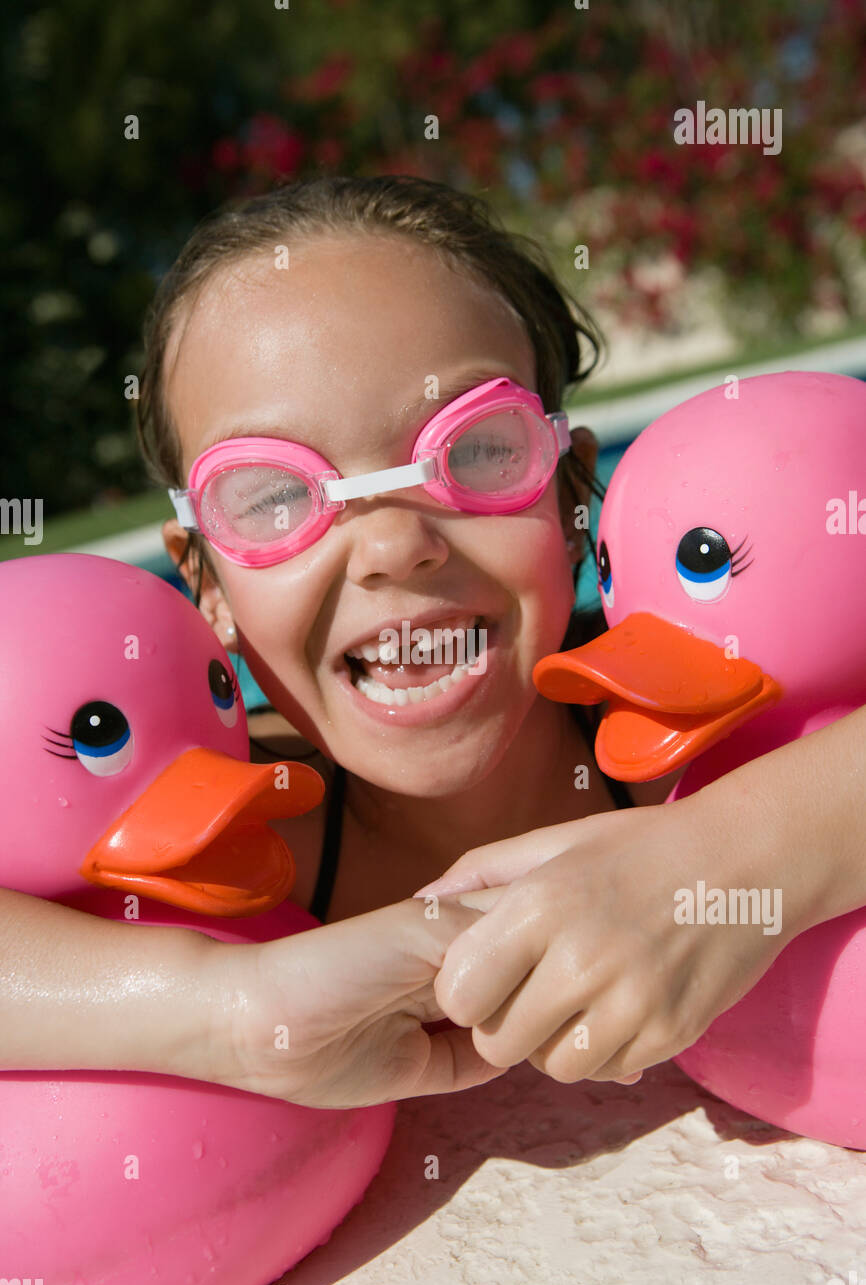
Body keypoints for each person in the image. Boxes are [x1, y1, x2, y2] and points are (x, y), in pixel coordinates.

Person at [4, 175, 866, 1111]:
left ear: (575, 497)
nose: (390, 547)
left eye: (473, 450)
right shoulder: (226, 862)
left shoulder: (727, 750)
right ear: (205, 581)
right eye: (274, 495)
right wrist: (232, 1012)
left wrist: (724, 857)